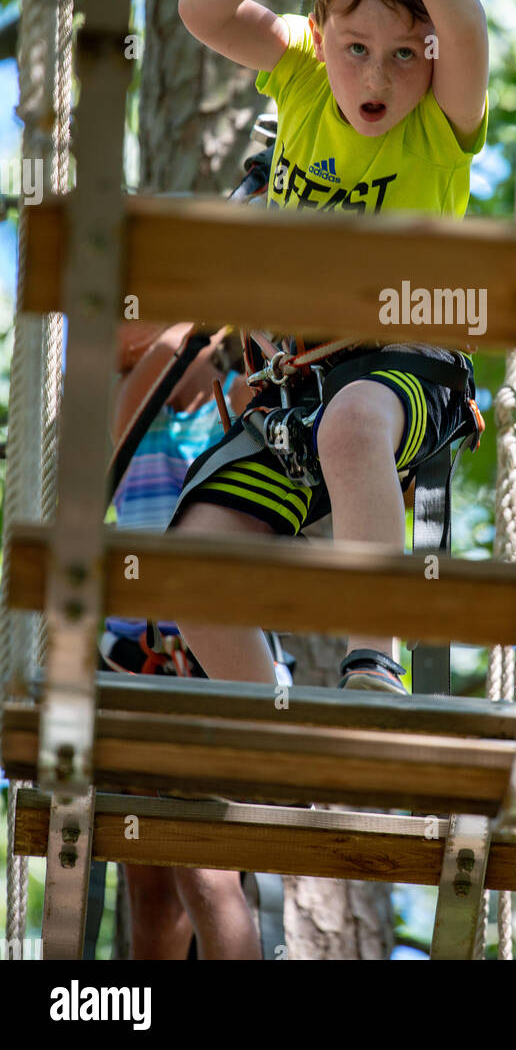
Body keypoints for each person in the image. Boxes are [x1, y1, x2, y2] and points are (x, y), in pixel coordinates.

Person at [169, 0, 489, 696]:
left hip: (401, 369)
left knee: (351, 430)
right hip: (294, 392)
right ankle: (276, 740)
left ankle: (373, 660)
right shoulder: (302, 76)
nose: (377, 76)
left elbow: (469, 31)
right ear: (319, 36)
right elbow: (199, 11)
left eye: (406, 53)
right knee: (190, 565)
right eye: (356, 47)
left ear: (435, 55)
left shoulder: (440, 125)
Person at [105, 321, 269, 960]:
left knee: (207, 872)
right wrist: (201, 309)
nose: (122, 334)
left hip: (215, 664)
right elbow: (166, 359)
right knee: (149, 891)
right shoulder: (126, 404)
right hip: (135, 666)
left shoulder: (247, 401)